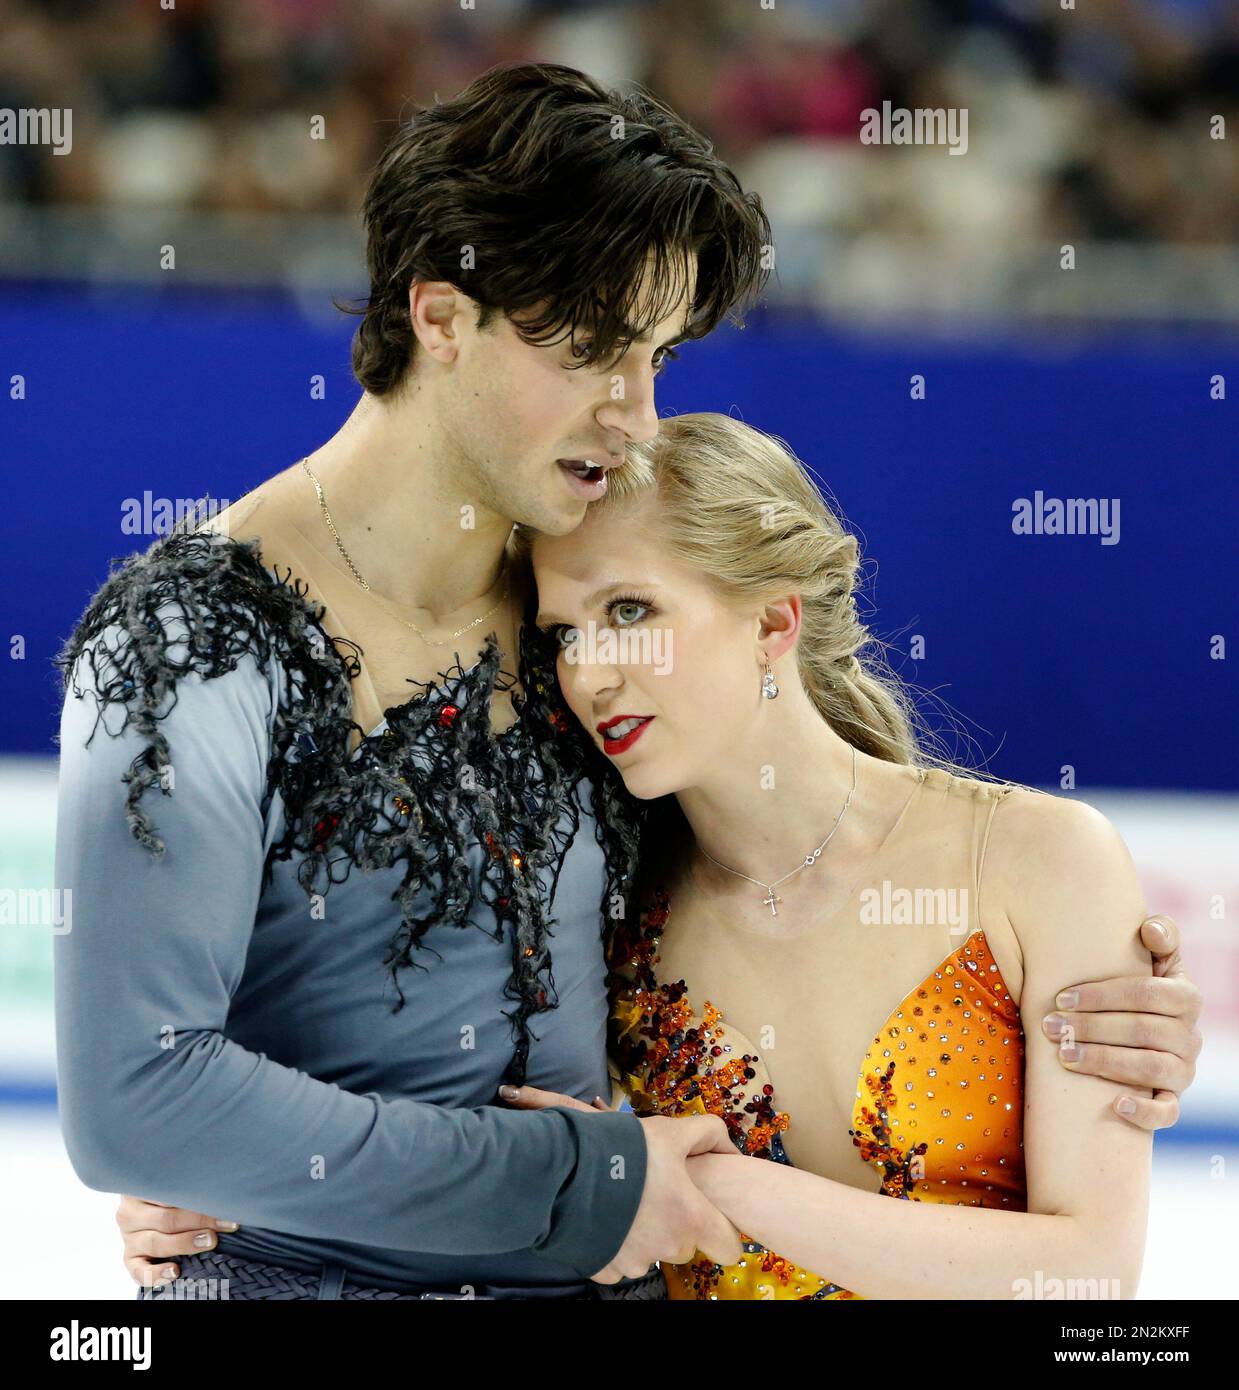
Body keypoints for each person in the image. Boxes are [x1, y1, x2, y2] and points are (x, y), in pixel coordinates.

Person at [78, 66, 1199, 1301]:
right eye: (599, 351)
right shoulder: (190, 635)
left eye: (656, 357)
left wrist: (1095, 1013)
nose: (638, 415)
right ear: (441, 318)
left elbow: (803, 847)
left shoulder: (571, 598)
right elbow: (141, 1095)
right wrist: (556, 1181)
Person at [493, 412, 1179, 1297]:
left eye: (630, 610)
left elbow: (1089, 1277)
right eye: (563, 635)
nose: (588, 676)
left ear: (774, 619)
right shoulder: (601, 912)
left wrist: (706, 1178)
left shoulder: (1037, 860)